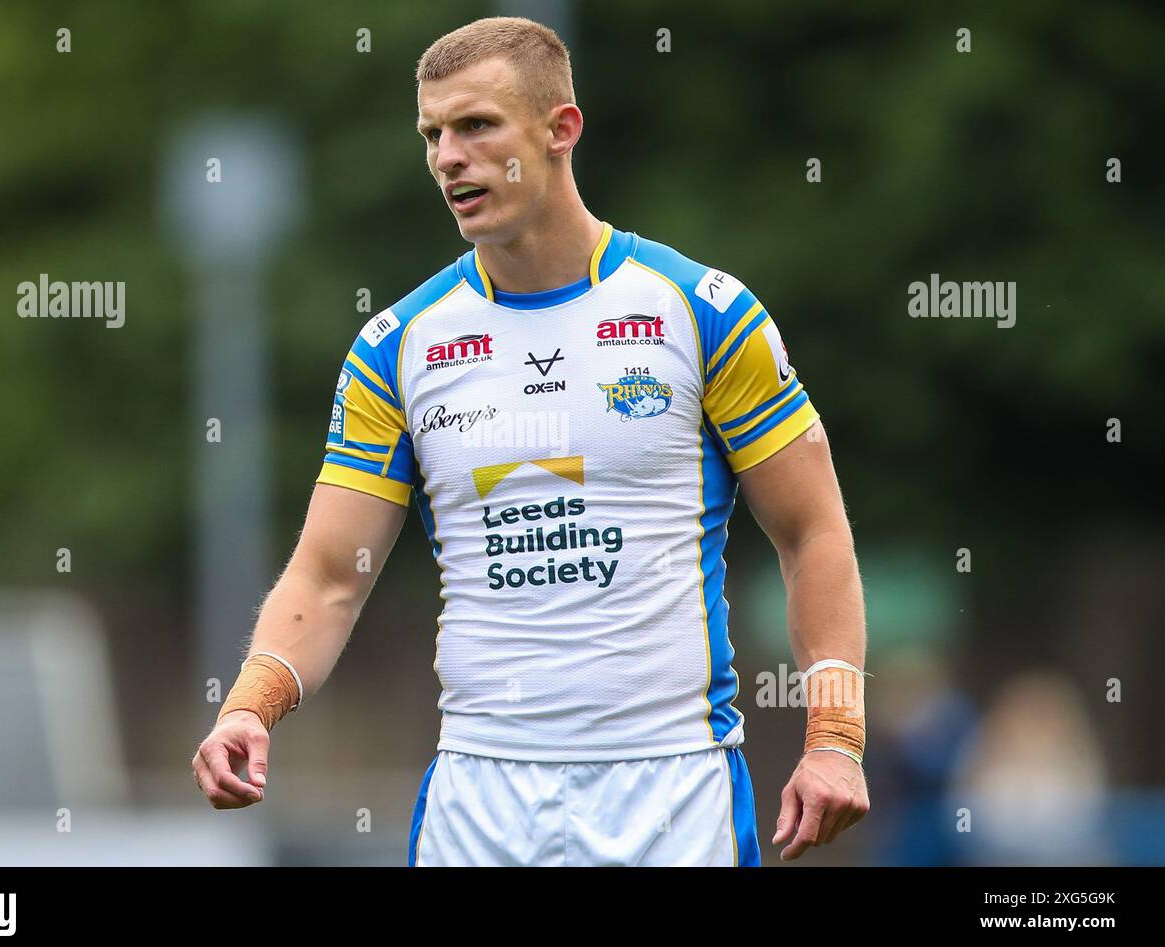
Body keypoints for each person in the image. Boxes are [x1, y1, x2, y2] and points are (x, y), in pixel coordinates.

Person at [192, 16, 869, 866]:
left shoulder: (701, 312)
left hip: (671, 792)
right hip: (481, 799)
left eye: (475, 125)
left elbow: (813, 533)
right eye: (432, 134)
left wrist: (836, 735)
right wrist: (249, 705)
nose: (447, 156)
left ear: (560, 130)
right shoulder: (397, 345)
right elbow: (331, 577)